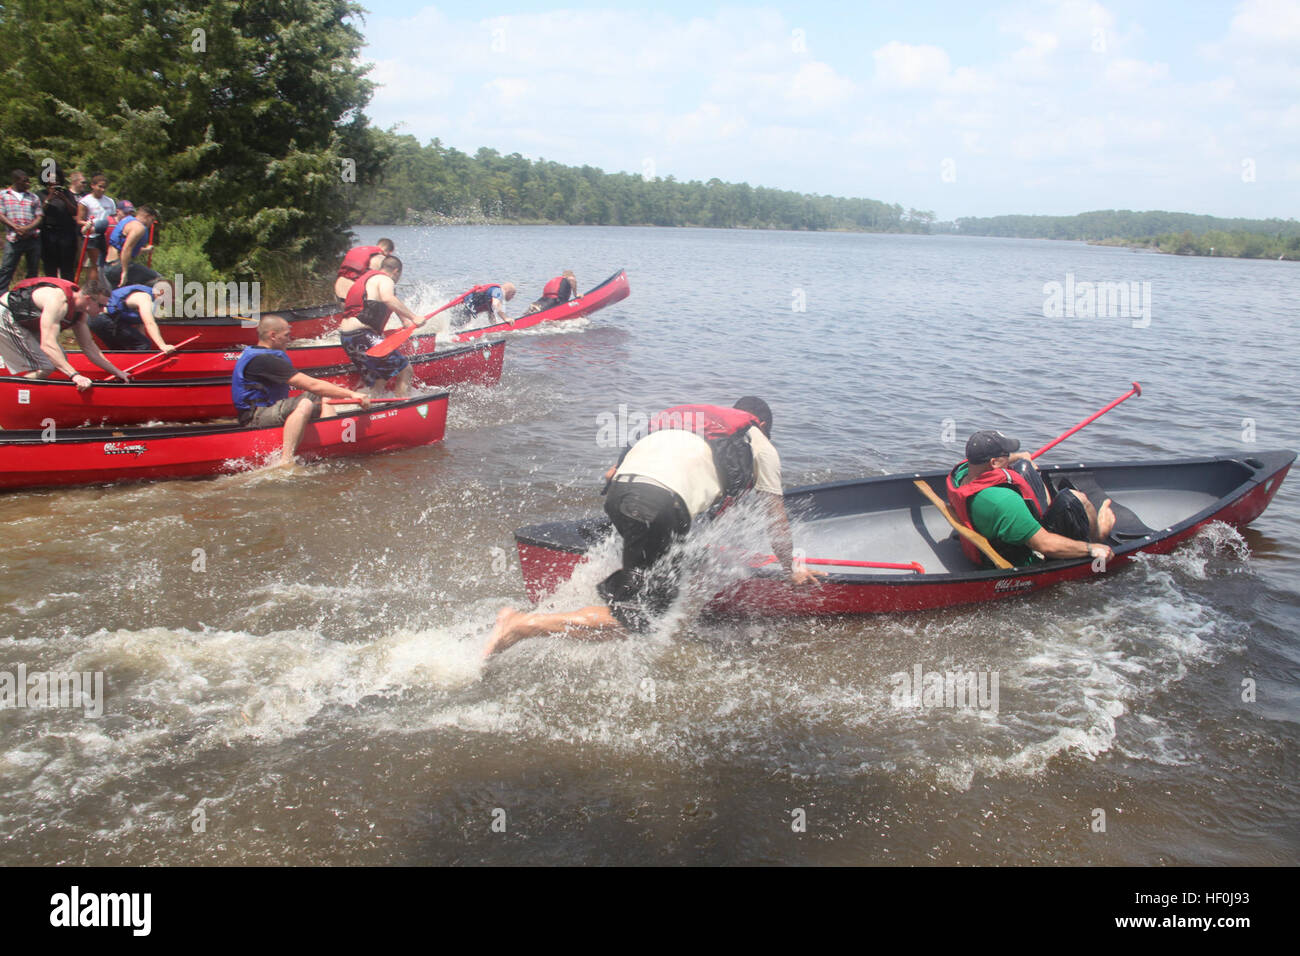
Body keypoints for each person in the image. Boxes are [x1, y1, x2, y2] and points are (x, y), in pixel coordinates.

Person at [486, 397, 823, 656]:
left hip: (620, 495)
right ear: (763, 424)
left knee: (654, 570)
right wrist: (789, 568)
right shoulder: (758, 441)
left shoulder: (690, 425)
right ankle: (522, 625)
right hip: (659, 504)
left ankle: (614, 594)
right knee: (643, 618)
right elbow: (775, 515)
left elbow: (610, 475)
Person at [945, 430, 1116, 567]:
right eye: (1007, 453)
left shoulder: (960, 474)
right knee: (1074, 498)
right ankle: (1098, 535)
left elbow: (990, 463)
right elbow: (1045, 545)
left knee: (1024, 467)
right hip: (1029, 550)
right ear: (994, 463)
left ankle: (1048, 506)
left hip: (994, 523)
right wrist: (1091, 549)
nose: (1010, 455)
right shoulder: (1003, 501)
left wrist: (1020, 457)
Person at [232, 314, 371, 464]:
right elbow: (312, 385)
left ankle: (329, 441)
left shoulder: (258, 352)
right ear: (273, 335)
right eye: (286, 335)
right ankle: (286, 461)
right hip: (256, 417)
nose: (289, 339)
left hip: (267, 409)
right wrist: (351, 394)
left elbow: (318, 390)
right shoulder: (264, 360)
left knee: (324, 396)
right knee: (305, 403)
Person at [0, 276, 128, 388]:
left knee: (61, 359)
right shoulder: (59, 302)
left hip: (25, 321)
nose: (102, 310)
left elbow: (89, 347)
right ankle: (12, 395)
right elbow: (47, 344)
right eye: (100, 305)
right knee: (46, 366)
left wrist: (117, 372)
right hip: (7, 314)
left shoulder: (80, 313)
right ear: (88, 299)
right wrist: (75, 376)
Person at [336, 255, 426, 395]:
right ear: (396, 271)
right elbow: (388, 298)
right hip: (362, 335)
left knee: (379, 377)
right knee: (405, 369)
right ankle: (403, 405)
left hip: (347, 338)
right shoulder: (386, 279)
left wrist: (407, 322)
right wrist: (414, 317)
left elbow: (389, 305)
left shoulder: (368, 279)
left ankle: (374, 406)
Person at [89, 280, 176, 352]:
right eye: (172, 297)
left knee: (120, 350)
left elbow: (140, 328)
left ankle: (120, 370)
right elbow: (149, 323)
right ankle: (138, 371)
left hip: (98, 320)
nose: (173, 301)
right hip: (102, 318)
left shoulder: (148, 301)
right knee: (144, 344)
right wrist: (162, 345)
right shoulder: (145, 297)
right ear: (161, 292)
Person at [0, 170, 44, 293]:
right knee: (7, 269)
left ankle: (27, 295)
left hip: (32, 238)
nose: (28, 183)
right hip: (13, 238)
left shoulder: (33, 197)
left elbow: (39, 216)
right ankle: (1, 296)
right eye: (25, 181)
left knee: (33, 270)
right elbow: (1, 214)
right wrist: (15, 227)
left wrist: (27, 228)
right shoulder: (4, 195)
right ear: (16, 180)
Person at [38, 164, 81, 281]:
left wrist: (64, 199)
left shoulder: (67, 193)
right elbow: (38, 212)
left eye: (57, 179)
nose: (55, 182)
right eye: (51, 180)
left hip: (66, 233)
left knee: (67, 266)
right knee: (50, 266)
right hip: (48, 233)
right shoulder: (40, 194)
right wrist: (49, 199)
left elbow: (75, 211)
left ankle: (69, 290)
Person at [103, 204, 160, 287]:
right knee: (160, 281)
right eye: (152, 220)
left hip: (108, 266)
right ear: (147, 216)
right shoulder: (139, 228)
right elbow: (126, 249)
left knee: (120, 296)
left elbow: (125, 248)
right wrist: (124, 272)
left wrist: (146, 250)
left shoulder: (127, 220)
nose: (151, 224)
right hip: (118, 266)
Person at [76, 174, 116, 277]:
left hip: (107, 235)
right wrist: (88, 224)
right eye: (100, 186)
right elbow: (79, 220)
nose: (102, 190)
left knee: (107, 263)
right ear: (92, 186)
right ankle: (93, 288)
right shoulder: (85, 201)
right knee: (96, 264)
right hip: (92, 236)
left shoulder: (110, 201)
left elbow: (113, 218)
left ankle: (105, 286)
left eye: (104, 187)